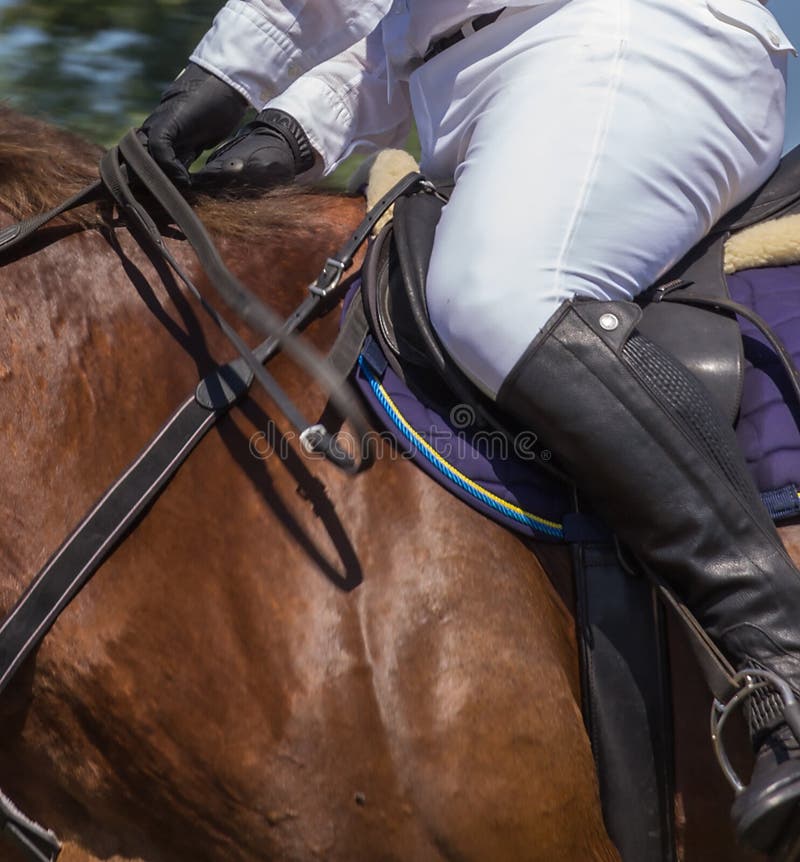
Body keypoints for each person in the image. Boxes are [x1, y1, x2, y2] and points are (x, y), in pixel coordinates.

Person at [140, 0, 800, 852]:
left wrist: (222, 77)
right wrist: (291, 129)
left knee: (494, 297)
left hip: (625, 42)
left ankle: (782, 659)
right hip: (472, 93)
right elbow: (399, 29)